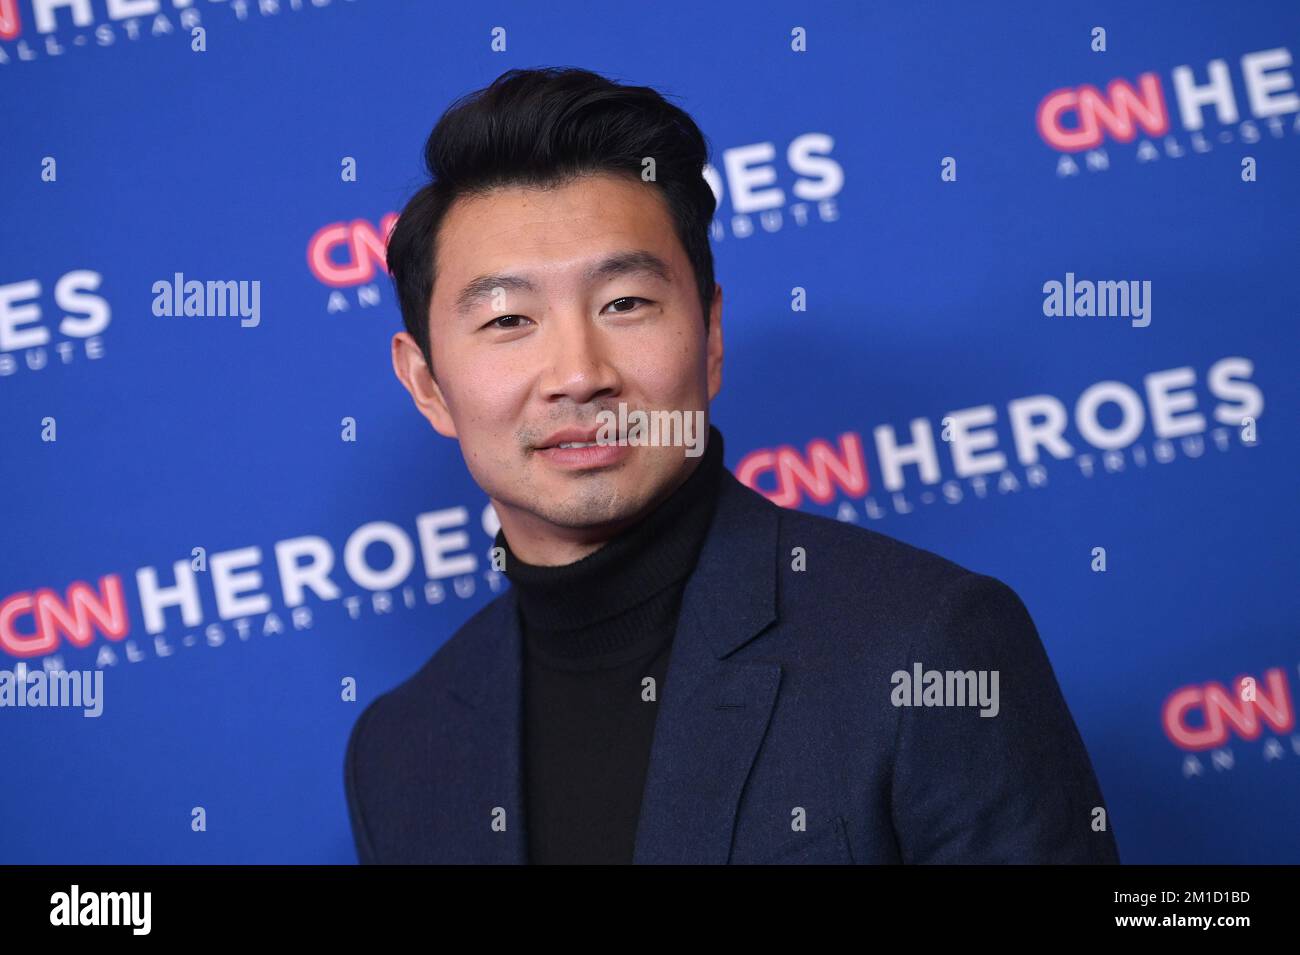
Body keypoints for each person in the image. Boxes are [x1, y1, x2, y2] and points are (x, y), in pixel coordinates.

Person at [344, 66, 1120, 865]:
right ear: (428, 383)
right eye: (509, 318)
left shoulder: (925, 646)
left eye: (626, 303)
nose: (578, 372)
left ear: (711, 336)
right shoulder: (401, 752)